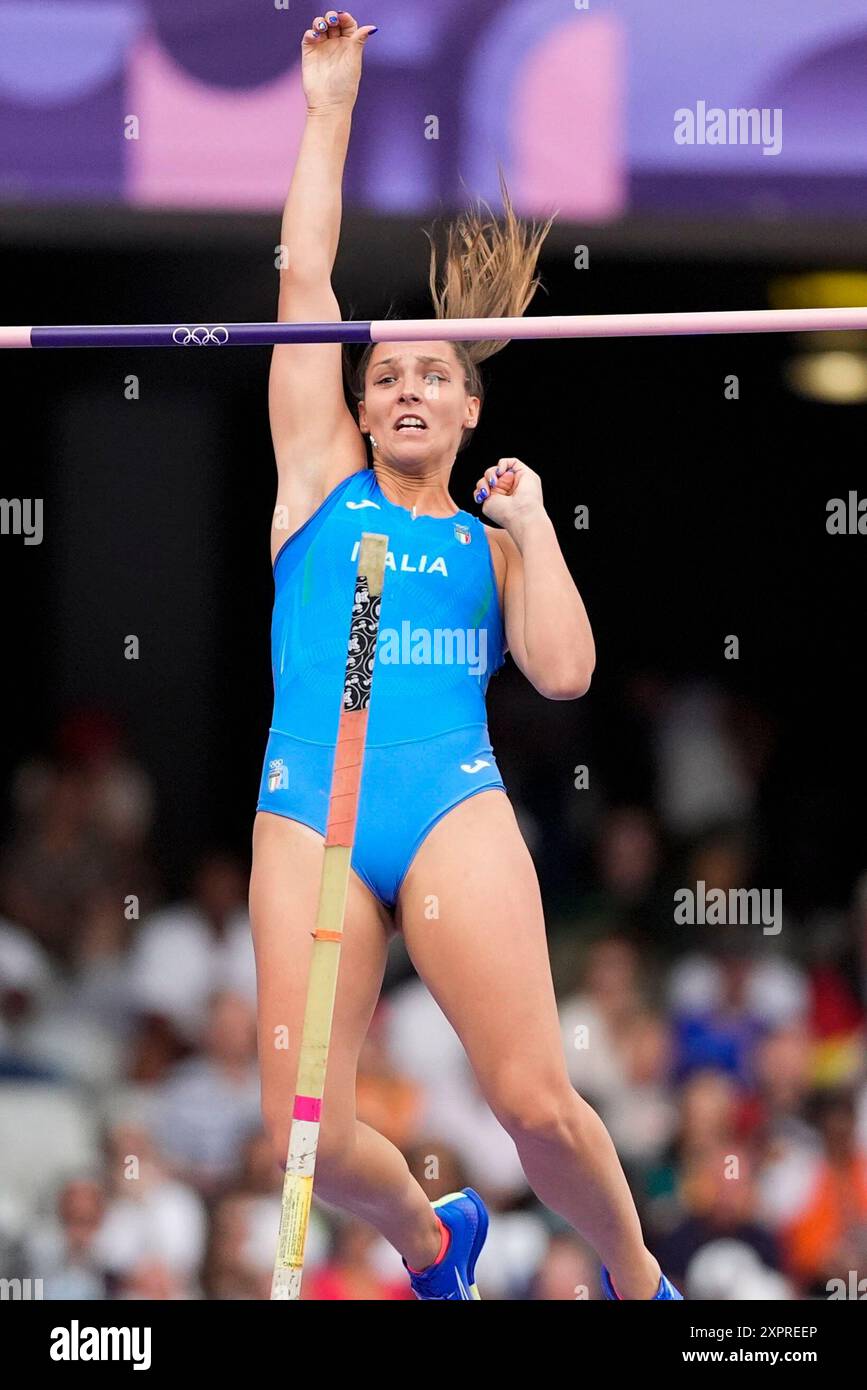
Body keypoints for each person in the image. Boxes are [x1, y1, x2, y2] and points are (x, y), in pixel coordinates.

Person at [249, 9, 681, 1301]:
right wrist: (327, 111)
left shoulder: (496, 543)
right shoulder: (317, 481)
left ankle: (635, 1271)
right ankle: (437, 1242)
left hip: (445, 804)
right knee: (301, 1139)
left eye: (430, 375)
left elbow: (564, 674)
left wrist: (537, 522)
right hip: (303, 807)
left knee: (539, 1105)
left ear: (472, 400)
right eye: (384, 377)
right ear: (361, 398)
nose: (402, 391)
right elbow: (306, 284)